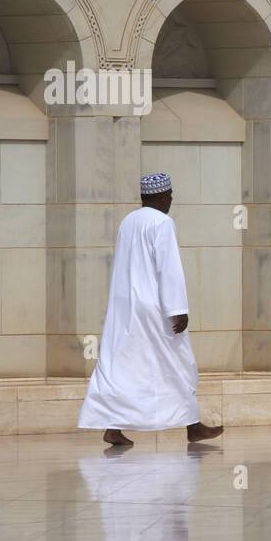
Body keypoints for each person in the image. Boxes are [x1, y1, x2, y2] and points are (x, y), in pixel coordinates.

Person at [77, 173, 223, 447]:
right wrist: (177, 308)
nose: (171, 200)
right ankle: (193, 427)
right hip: (154, 307)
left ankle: (113, 426)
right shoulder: (162, 222)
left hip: (125, 307)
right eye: (169, 195)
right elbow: (168, 268)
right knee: (179, 363)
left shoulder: (128, 222)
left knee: (124, 365)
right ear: (159, 196)